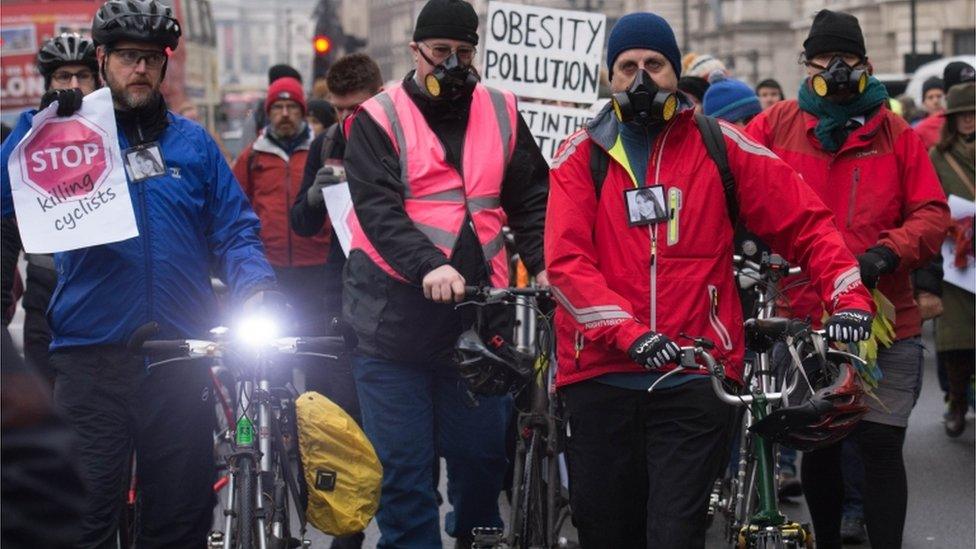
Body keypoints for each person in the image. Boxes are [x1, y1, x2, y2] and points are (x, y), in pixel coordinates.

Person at [546, 12, 874, 548]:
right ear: (610, 78)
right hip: (599, 378)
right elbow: (566, 265)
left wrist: (848, 295)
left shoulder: (722, 146)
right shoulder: (578, 156)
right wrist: (629, 333)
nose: (642, 78)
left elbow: (807, 222)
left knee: (676, 533)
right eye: (627, 66)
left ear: (677, 72)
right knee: (606, 531)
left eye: (655, 64)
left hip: (693, 374)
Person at [0, 0, 278, 545]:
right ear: (102, 59)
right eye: (129, 56)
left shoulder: (193, 144)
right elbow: (5, 199)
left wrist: (257, 288)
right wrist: (36, 128)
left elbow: (235, 231)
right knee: (83, 521)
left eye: (153, 58)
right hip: (90, 361)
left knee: (179, 523)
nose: (142, 69)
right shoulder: (64, 137)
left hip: (180, 361)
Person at [341, 0, 549, 545]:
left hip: (479, 323)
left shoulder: (502, 110)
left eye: (464, 53)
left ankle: (473, 533)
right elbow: (378, 211)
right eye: (440, 54)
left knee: (482, 459)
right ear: (416, 52)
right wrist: (429, 264)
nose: (453, 65)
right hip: (393, 326)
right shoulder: (378, 117)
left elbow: (532, 197)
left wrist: (547, 261)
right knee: (405, 475)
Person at [745, 10, 950, 548]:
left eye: (849, 58)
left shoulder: (897, 133)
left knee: (881, 450)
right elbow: (731, 186)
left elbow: (932, 214)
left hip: (886, 319)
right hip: (805, 319)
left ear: (865, 62)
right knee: (823, 445)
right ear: (806, 63)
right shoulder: (772, 127)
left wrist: (887, 254)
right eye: (825, 58)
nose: (837, 68)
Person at [0, 32, 101, 387]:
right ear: (48, 84)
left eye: (82, 76)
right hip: (46, 300)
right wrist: (37, 125)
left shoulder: (118, 134)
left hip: (108, 299)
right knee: (45, 405)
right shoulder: (29, 134)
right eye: (62, 77)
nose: (73, 86)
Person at [928, 82, 975, 437]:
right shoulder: (938, 157)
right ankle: (957, 401)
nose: (969, 120)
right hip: (956, 261)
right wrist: (950, 226)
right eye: (962, 115)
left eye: (973, 113)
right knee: (957, 338)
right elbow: (927, 205)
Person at [914, 61, 975, 149]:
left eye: (973, 88)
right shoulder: (923, 130)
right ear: (947, 94)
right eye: (963, 90)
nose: (968, 119)